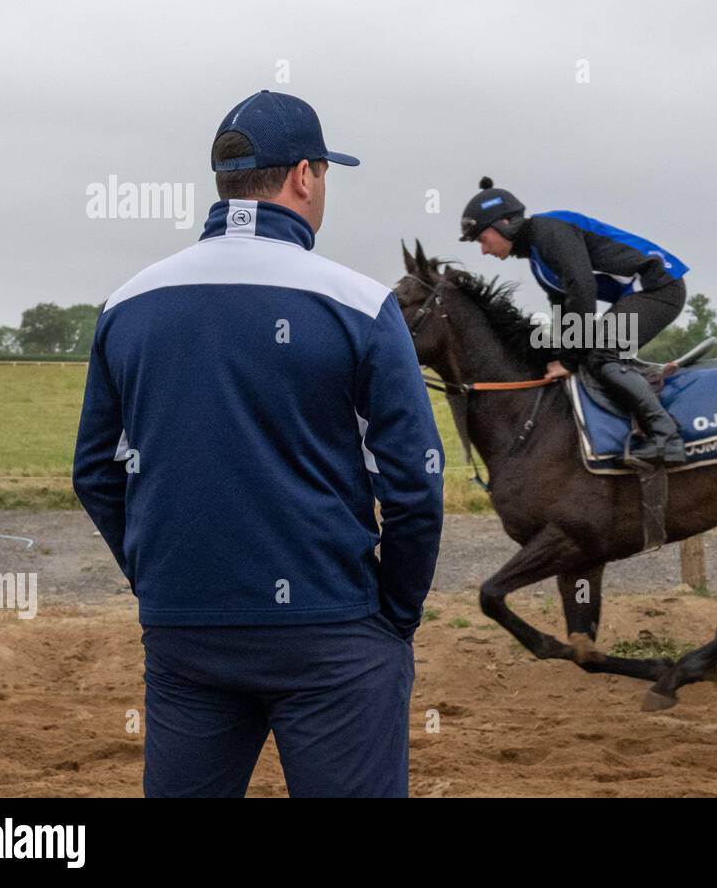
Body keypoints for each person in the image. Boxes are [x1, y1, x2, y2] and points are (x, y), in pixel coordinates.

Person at [72, 90, 444, 797]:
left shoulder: (127, 304)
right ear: (305, 175)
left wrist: (161, 581)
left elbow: (95, 473)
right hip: (334, 630)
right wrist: (394, 614)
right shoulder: (361, 305)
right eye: (326, 174)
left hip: (186, 634)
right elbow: (416, 485)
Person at [460, 177, 690, 464]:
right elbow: (565, 307)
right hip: (640, 292)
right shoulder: (538, 260)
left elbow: (582, 292)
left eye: (482, 239)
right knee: (590, 353)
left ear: (504, 223)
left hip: (659, 287)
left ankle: (666, 437)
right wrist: (559, 355)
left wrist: (568, 360)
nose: (483, 249)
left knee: (600, 353)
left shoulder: (548, 232)